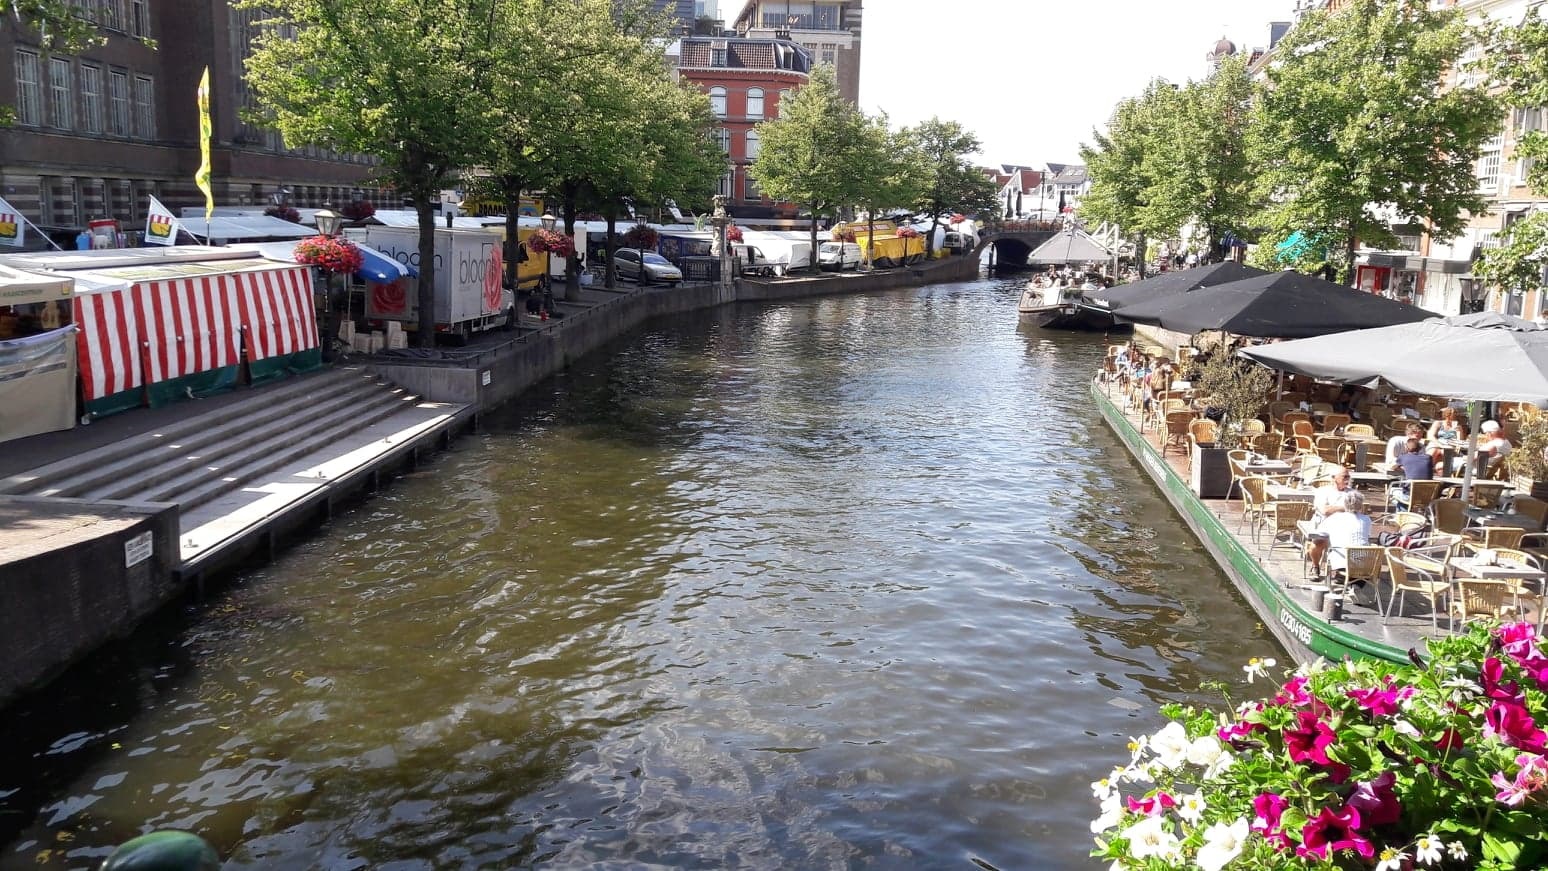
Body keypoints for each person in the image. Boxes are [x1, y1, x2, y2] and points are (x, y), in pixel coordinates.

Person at [1304, 466, 1353, 574]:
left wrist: (1334, 508)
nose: (1347, 479)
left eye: (1348, 477)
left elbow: (1359, 509)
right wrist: (1346, 508)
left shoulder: (1352, 493)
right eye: (1345, 477)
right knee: (1316, 546)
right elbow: (1324, 511)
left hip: (1344, 527)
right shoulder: (1323, 491)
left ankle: (1341, 571)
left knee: (1350, 545)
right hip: (1324, 524)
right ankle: (1315, 565)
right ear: (1334, 478)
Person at [1322, 490, 1372, 576]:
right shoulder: (1367, 519)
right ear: (1361, 505)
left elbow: (1320, 533)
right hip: (1364, 563)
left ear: (1344, 504)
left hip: (1342, 561)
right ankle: (1347, 579)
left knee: (1331, 547)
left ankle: (1340, 576)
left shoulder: (1335, 517)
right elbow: (1367, 535)